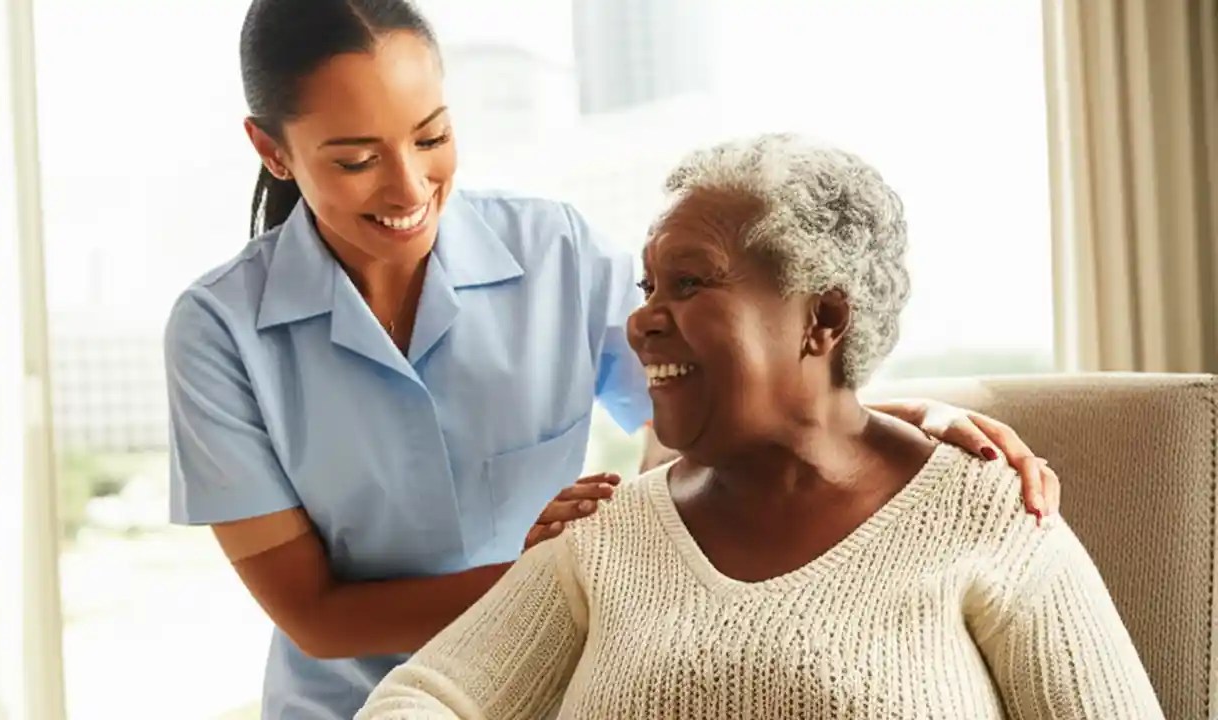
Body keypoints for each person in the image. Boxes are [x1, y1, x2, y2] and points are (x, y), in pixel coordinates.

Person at [164, 1, 1059, 717]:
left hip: (558, 692)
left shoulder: (555, 252)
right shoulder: (218, 332)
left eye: (431, 138)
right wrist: (571, 572)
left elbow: (724, 404)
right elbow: (315, 618)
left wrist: (900, 422)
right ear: (272, 149)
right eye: (356, 160)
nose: (408, 187)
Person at [356, 134, 1162, 719]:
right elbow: (427, 697)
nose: (642, 321)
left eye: (689, 282)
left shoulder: (989, 514)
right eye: (648, 287)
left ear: (824, 318)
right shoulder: (606, 526)